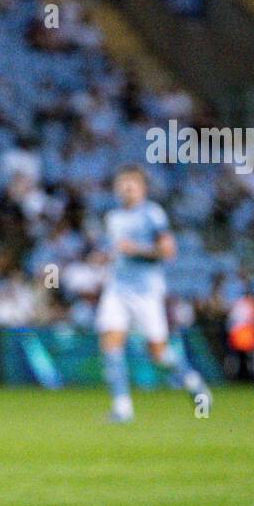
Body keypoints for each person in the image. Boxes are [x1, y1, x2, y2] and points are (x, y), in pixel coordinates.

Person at [96, 167, 209, 423]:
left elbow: (167, 251)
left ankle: (193, 382)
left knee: (158, 354)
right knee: (110, 341)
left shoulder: (152, 214)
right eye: (122, 183)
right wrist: (103, 257)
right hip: (118, 289)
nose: (127, 188)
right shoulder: (113, 218)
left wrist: (136, 249)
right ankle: (122, 408)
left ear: (142, 188)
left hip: (146, 291)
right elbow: (116, 251)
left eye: (132, 184)